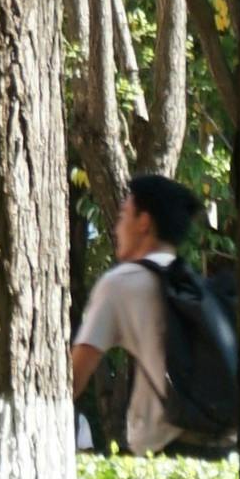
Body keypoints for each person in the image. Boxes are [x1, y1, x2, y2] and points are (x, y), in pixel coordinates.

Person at [72, 172, 207, 454]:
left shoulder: (121, 284)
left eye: (124, 215)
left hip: (163, 453)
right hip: (218, 447)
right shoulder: (194, 282)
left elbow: (73, 378)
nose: (116, 227)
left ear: (144, 222)